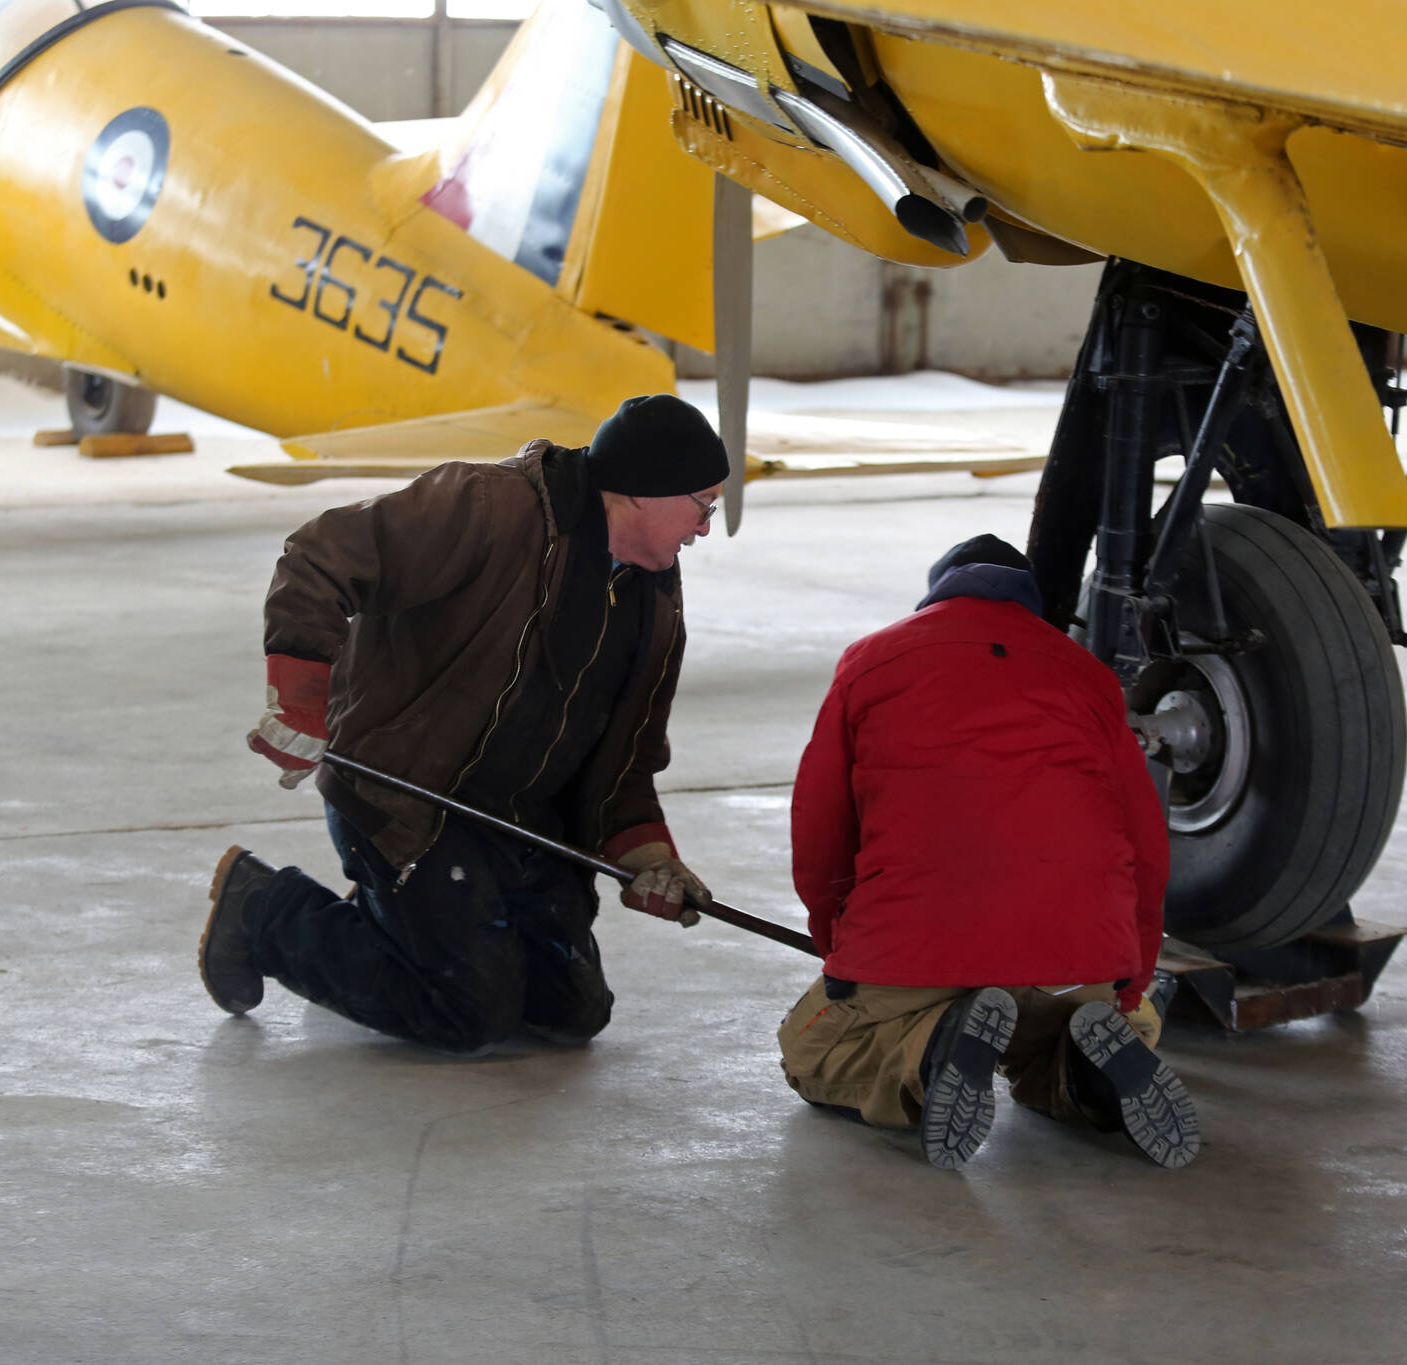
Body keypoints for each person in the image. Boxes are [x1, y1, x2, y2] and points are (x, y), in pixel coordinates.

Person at [197, 393, 726, 1055]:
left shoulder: (655, 601)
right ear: (644, 491)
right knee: (469, 1012)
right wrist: (301, 696)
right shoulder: (488, 507)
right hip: (410, 800)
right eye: (704, 503)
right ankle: (265, 909)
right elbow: (321, 556)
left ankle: (394, 928)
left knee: (571, 1013)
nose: (706, 527)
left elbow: (627, 759)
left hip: (521, 827)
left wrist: (649, 856)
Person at [780, 533, 1199, 1169]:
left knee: (814, 1052)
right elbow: (1146, 847)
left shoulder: (870, 661)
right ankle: (1087, 1079)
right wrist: (1128, 977)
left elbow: (820, 827)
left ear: (937, 593)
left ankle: (929, 1053)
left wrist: (839, 946)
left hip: (916, 944)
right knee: (1091, 1025)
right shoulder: (1088, 677)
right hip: (1075, 951)